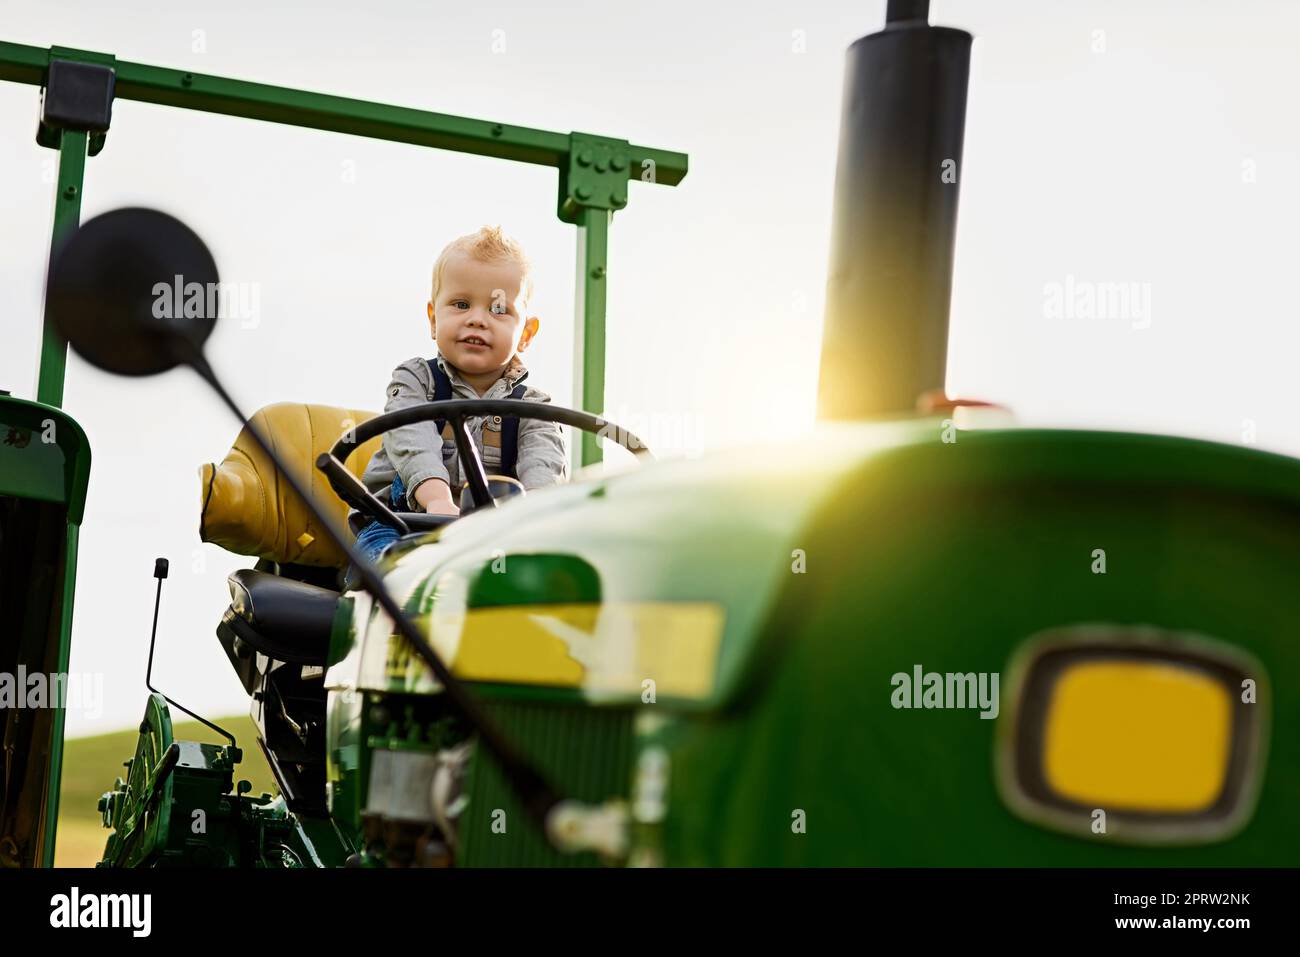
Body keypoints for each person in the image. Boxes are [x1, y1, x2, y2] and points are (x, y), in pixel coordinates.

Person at [353, 225, 569, 562]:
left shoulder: (534, 408)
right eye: (461, 304)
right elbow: (412, 440)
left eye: (498, 309)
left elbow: (544, 468)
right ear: (433, 319)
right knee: (388, 567)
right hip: (403, 523)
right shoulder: (416, 380)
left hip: (493, 538)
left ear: (526, 333)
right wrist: (438, 499)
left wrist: (534, 521)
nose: (477, 320)